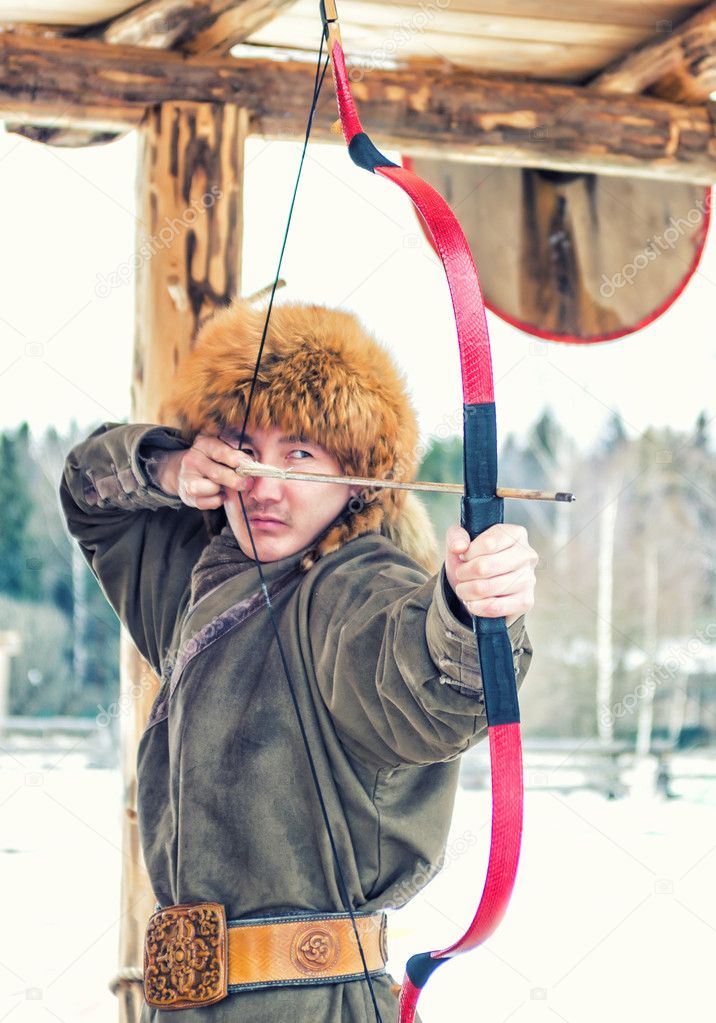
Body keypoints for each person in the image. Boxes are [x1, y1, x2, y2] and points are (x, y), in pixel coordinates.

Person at [59, 299, 537, 1022]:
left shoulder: (357, 585)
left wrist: (472, 607)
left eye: (301, 454)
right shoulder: (198, 577)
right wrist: (166, 465)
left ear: (359, 478)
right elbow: (87, 493)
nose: (264, 484)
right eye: (243, 449)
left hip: (315, 1005)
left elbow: (426, 687)